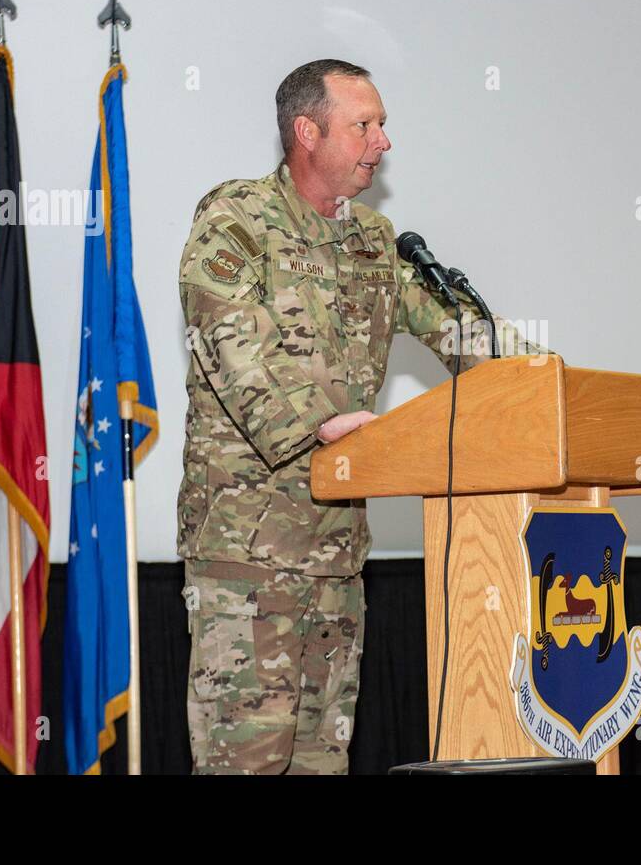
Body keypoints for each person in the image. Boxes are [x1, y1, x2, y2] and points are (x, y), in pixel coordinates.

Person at [176, 59, 549, 774]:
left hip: (337, 555)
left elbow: (462, 332)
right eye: (365, 125)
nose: (383, 142)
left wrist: (543, 380)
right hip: (248, 555)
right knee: (244, 767)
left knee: (323, 765)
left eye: (382, 126)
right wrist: (321, 422)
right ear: (306, 132)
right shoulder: (236, 221)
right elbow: (231, 345)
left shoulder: (375, 241)